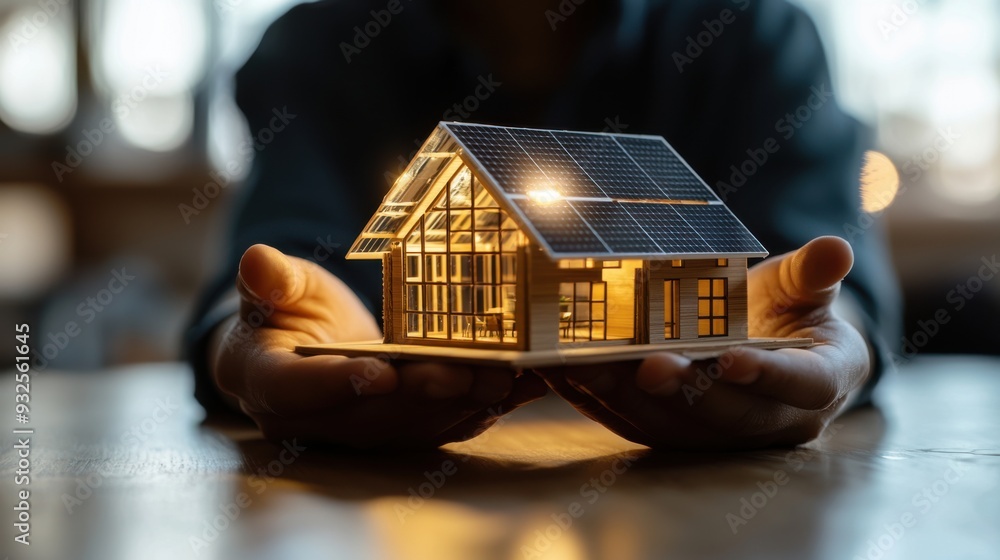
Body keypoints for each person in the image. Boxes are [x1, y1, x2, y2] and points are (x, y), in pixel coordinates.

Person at [185, 0, 900, 449]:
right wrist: (243, 338)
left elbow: (823, 282)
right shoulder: (317, 45)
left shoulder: (755, 33)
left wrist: (839, 340)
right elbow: (276, 265)